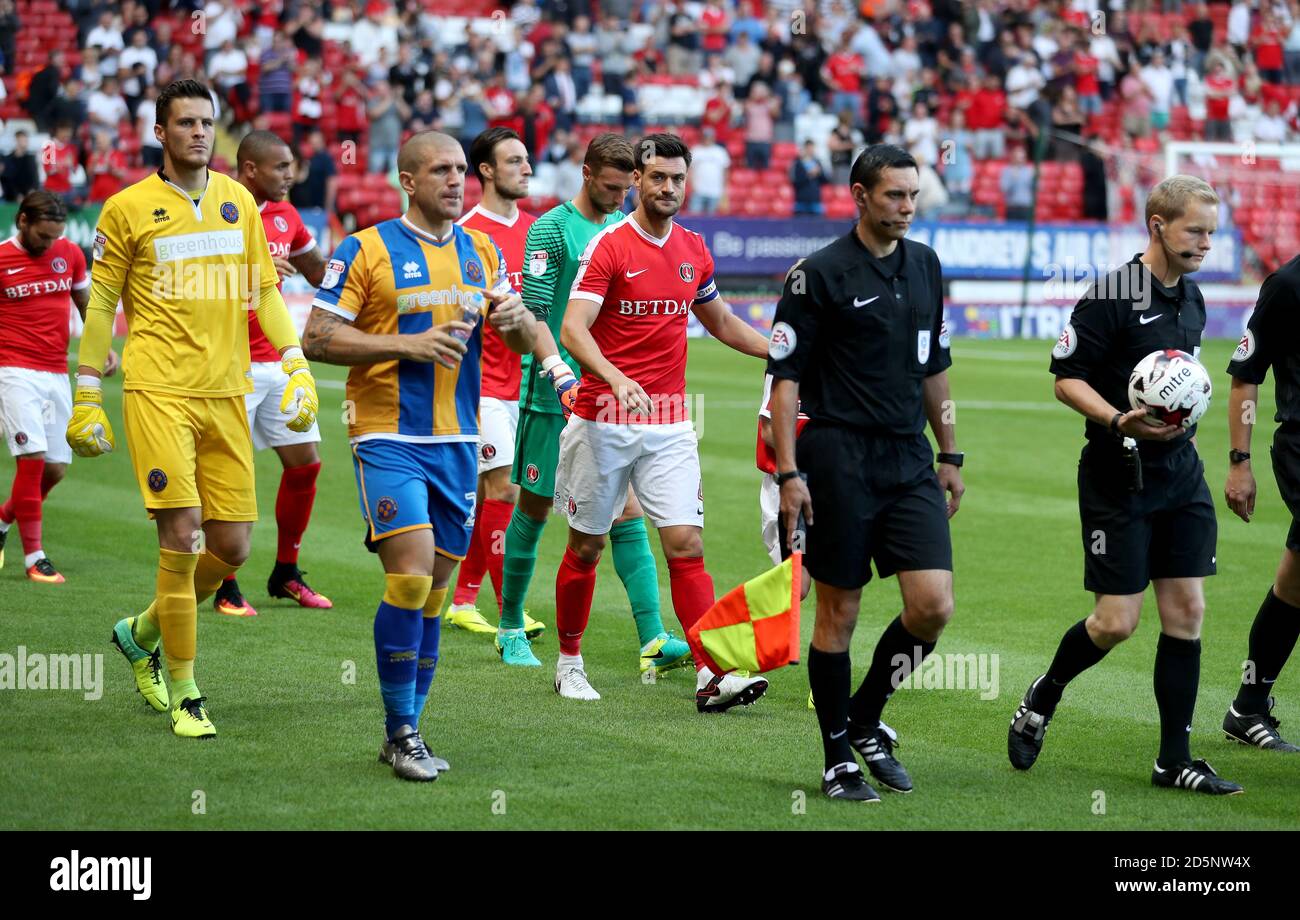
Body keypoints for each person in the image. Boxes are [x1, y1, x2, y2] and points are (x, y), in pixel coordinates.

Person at [74, 80, 318, 739]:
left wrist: (295, 364)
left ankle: (142, 630)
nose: (199, 133)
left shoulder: (240, 201)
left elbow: (265, 293)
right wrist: (88, 389)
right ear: (161, 133)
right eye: (185, 123)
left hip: (227, 392)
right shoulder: (126, 209)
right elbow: (102, 306)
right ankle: (184, 687)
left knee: (233, 545)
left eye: (207, 122)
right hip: (157, 391)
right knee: (180, 536)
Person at [300, 131, 537, 781]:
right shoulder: (366, 248)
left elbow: (514, 336)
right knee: (408, 577)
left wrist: (517, 323)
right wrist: (405, 347)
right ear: (409, 180)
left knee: (433, 596)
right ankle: (401, 730)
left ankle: (410, 728)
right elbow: (315, 336)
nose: (457, 181)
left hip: (458, 440)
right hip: (386, 434)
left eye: (462, 170)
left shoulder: (482, 250)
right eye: (441, 170)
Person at [1007, 175, 1242, 795]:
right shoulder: (1113, 293)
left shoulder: (1191, 299)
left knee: (1188, 611)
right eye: (1196, 230)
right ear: (1157, 224)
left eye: (1212, 232)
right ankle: (1044, 693)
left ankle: (1174, 760)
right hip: (1119, 474)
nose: (1206, 243)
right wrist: (1116, 418)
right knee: (1115, 622)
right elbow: (1065, 377)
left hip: (1181, 474)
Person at [769, 144, 963, 802]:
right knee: (839, 614)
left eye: (913, 196)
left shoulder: (927, 265)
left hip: (909, 457)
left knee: (932, 606)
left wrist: (951, 452)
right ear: (859, 195)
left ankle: (865, 714)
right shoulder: (816, 275)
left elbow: (936, 369)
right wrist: (790, 474)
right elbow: (784, 383)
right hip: (838, 457)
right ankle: (836, 760)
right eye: (893, 196)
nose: (907, 207)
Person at [555, 132, 773, 710]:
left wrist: (780, 352)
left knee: (685, 544)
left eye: (678, 179)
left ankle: (710, 673)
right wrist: (615, 376)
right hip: (601, 417)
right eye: (657, 178)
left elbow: (721, 320)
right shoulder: (608, 247)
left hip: (670, 421)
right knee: (585, 548)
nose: (668, 188)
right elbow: (573, 328)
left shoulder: (694, 249)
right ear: (636, 180)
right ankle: (569, 662)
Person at [501, 133, 688, 673]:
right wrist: (560, 373)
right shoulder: (552, 230)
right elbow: (535, 314)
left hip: (609, 397)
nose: (619, 195)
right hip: (550, 392)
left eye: (626, 186)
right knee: (535, 507)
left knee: (625, 510)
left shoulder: (624, 229)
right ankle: (511, 625)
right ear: (586, 174)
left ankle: (652, 638)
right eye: (610, 186)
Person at [208, 130, 331, 618]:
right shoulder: (217, 208)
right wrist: (252, 269)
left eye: (292, 167)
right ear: (250, 168)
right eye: (281, 168)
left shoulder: (287, 215)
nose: (291, 176)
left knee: (306, 464)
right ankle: (225, 580)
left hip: (277, 361)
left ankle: (285, 572)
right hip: (227, 362)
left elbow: (319, 271)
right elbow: (193, 277)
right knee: (230, 474)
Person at [444, 128, 545, 641]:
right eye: (515, 161)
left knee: (493, 496)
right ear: (485, 170)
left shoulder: (539, 231)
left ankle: (463, 599)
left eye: (527, 160)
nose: (527, 168)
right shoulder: (466, 234)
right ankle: (511, 610)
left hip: (530, 388)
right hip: (482, 386)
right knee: (504, 488)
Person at [0, 192, 118, 580]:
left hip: (55, 372)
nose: (49, 244)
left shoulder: (70, 254)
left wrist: (103, 350)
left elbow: (87, 304)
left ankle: (2, 522)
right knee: (32, 459)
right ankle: (35, 558)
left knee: (55, 469)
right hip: (13, 371)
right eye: (42, 236)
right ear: (22, 222)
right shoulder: (2, 258)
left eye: (55, 237)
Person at [1221, 254, 1300, 753]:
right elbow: (1247, 374)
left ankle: (1248, 706)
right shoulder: (1288, 285)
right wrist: (1239, 460)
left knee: (1295, 582)